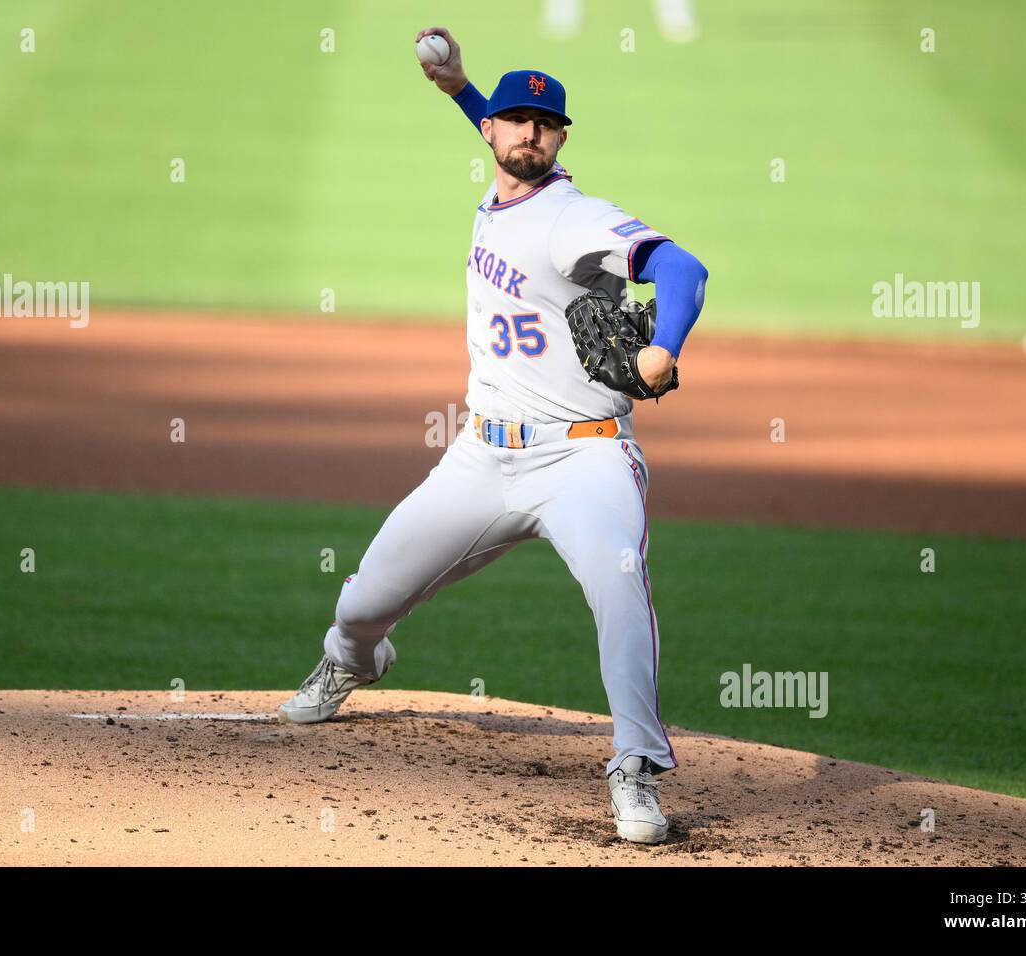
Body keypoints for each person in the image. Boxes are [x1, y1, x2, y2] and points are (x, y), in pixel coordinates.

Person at [278, 26, 709, 845]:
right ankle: (352, 662)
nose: (529, 133)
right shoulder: (499, 187)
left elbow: (685, 269)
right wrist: (461, 90)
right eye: (514, 120)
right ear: (493, 131)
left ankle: (637, 769)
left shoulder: (575, 219)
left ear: (563, 138)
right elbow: (501, 146)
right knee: (364, 602)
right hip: (481, 456)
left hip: (581, 456)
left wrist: (664, 346)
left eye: (545, 125)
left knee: (620, 586)